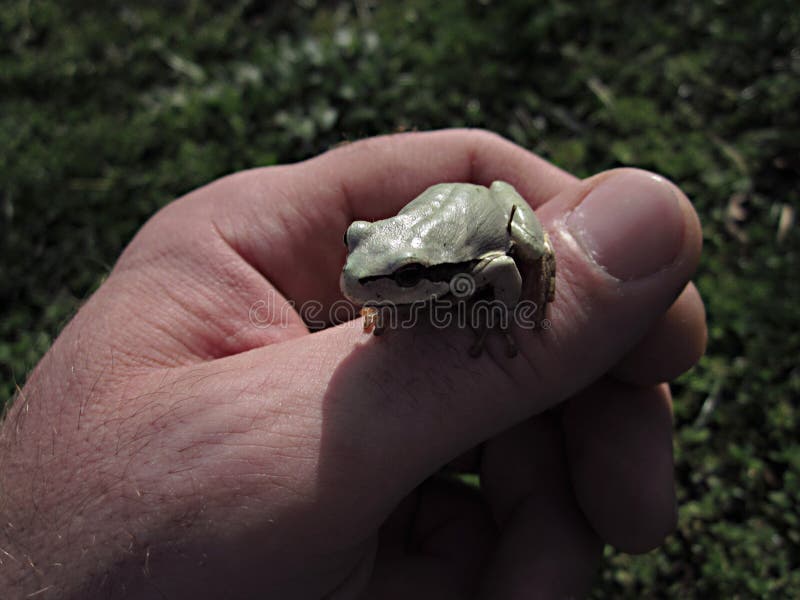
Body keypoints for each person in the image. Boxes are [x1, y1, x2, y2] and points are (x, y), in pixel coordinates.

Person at [0, 130, 705, 599]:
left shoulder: (458, 265)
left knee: (532, 250)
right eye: (353, 247)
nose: (353, 281)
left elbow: (499, 266)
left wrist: (510, 318)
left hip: (480, 227)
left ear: (422, 273)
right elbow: (380, 264)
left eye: (397, 280)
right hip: (423, 235)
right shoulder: (388, 260)